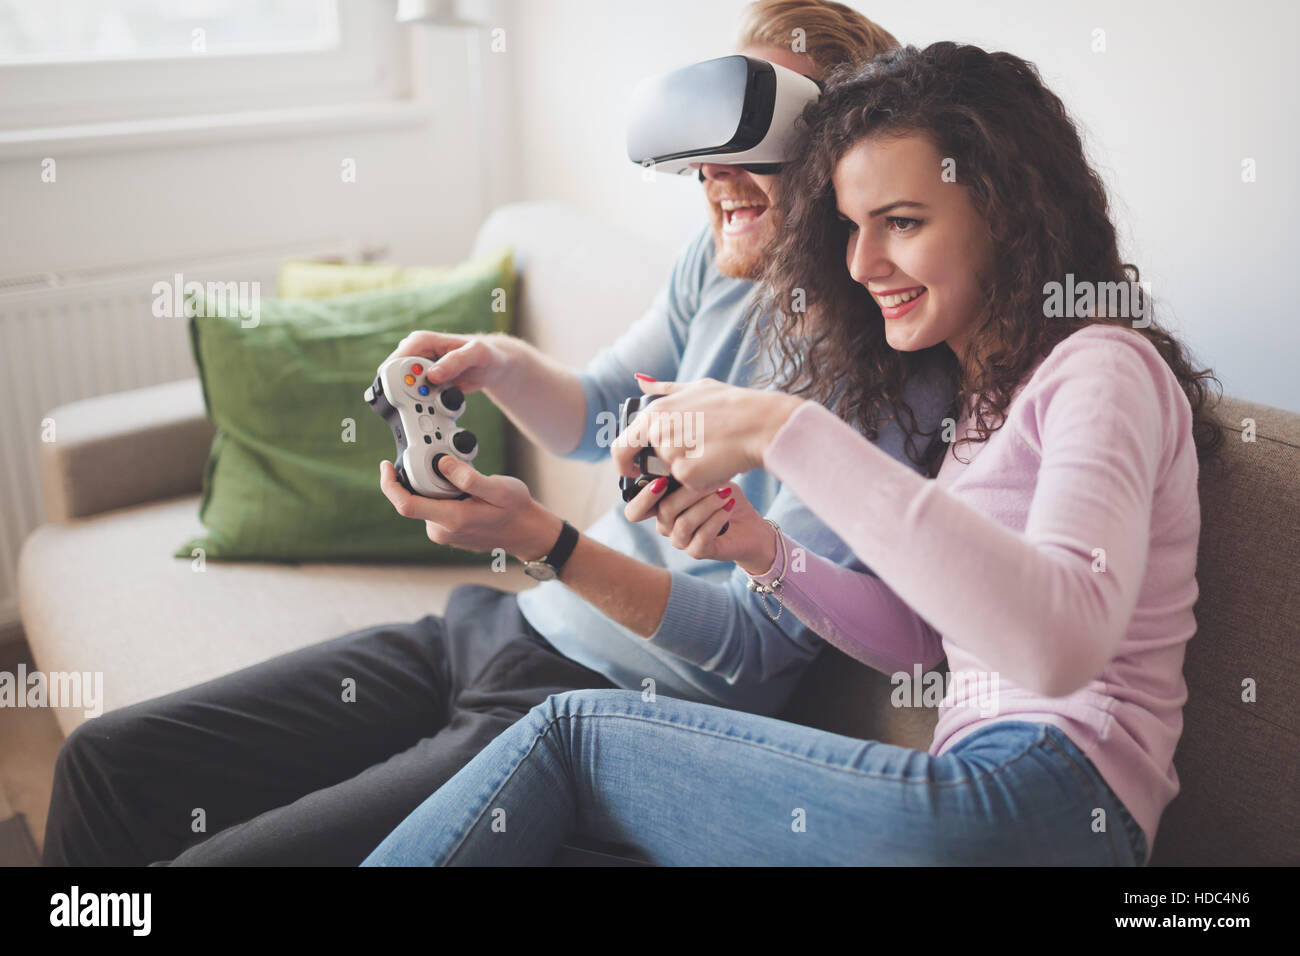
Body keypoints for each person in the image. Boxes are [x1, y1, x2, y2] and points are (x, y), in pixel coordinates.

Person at [41, 2, 944, 867]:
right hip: (500, 626)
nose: (715, 175)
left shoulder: (891, 377)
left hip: (595, 708)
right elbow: (597, 413)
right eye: (706, 152)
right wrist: (499, 362)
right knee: (107, 764)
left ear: (842, 155)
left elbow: (753, 653)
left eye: (754, 146)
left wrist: (542, 541)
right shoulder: (715, 265)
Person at [361, 41, 1221, 867]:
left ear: (1009, 210)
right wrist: (765, 552)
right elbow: (927, 646)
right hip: (980, 789)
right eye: (851, 227)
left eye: (903, 222)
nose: (864, 262)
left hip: (1050, 801)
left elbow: (1060, 644)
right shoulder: (976, 417)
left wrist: (783, 431)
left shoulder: (1103, 368)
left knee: (569, 734)